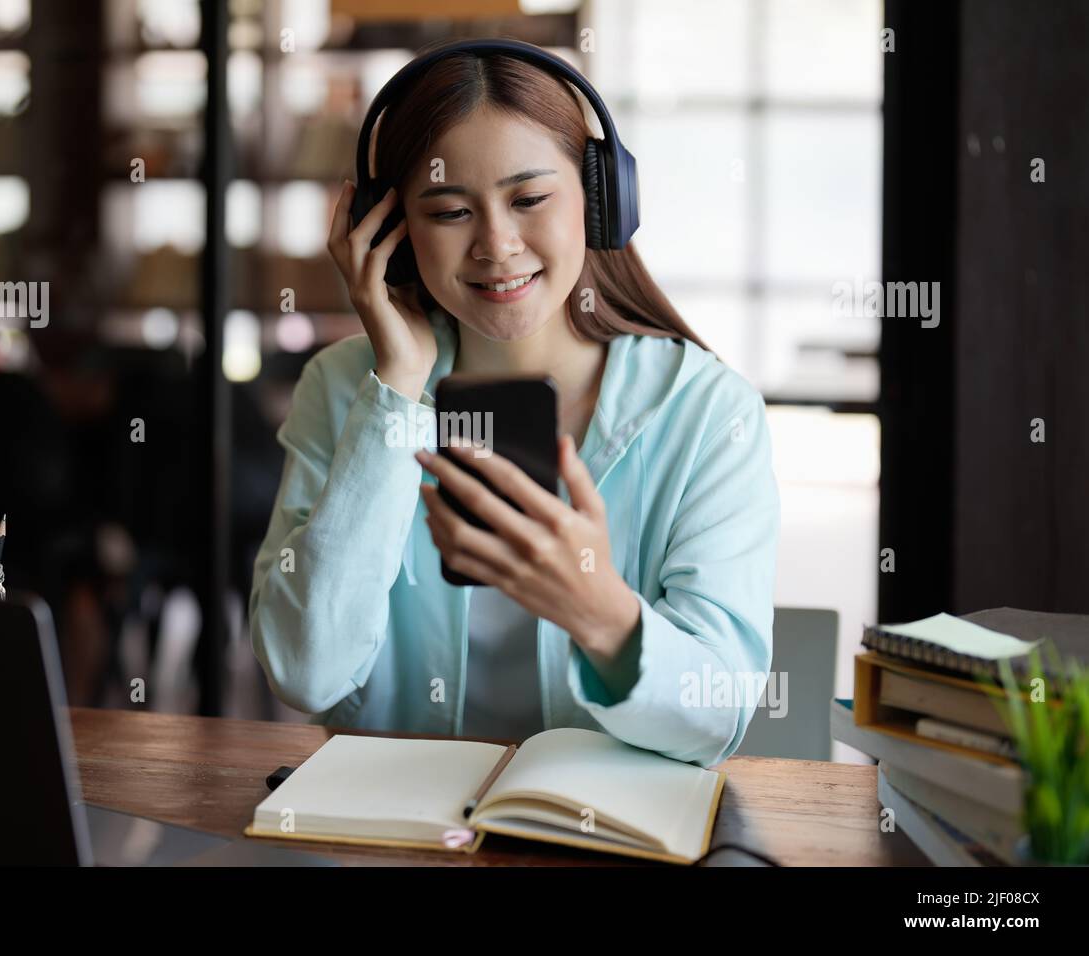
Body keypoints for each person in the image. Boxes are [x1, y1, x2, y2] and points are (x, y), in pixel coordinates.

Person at [248, 44, 780, 767]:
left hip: (602, 838)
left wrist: (600, 611)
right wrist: (397, 391)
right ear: (391, 231)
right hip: (396, 833)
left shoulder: (708, 414)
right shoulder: (343, 388)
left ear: (601, 201)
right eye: (450, 210)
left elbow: (716, 720)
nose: (497, 245)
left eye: (529, 200)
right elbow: (305, 674)